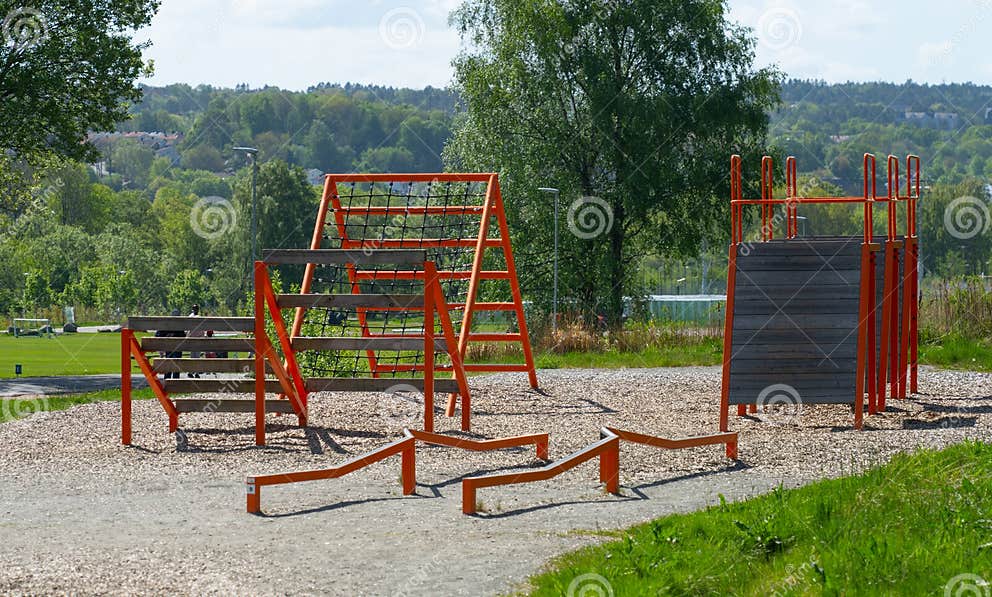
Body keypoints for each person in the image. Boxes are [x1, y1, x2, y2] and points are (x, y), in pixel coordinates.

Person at [155, 309, 185, 380]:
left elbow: (182, 336)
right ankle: (168, 380)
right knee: (169, 364)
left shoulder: (179, 326)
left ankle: (175, 381)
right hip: (169, 347)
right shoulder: (167, 324)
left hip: (177, 347)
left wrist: (174, 335)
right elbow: (158, 334)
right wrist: (167, 336)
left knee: (176, 364)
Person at [187, 304, 204, 378]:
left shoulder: (190, 316)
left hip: (192, 339)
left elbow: (187, 329)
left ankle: (191, 372)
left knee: (193, 356)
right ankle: (195, 372)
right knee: (196, 356)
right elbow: (202, 329)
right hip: (197, 339)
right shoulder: (198, 317)